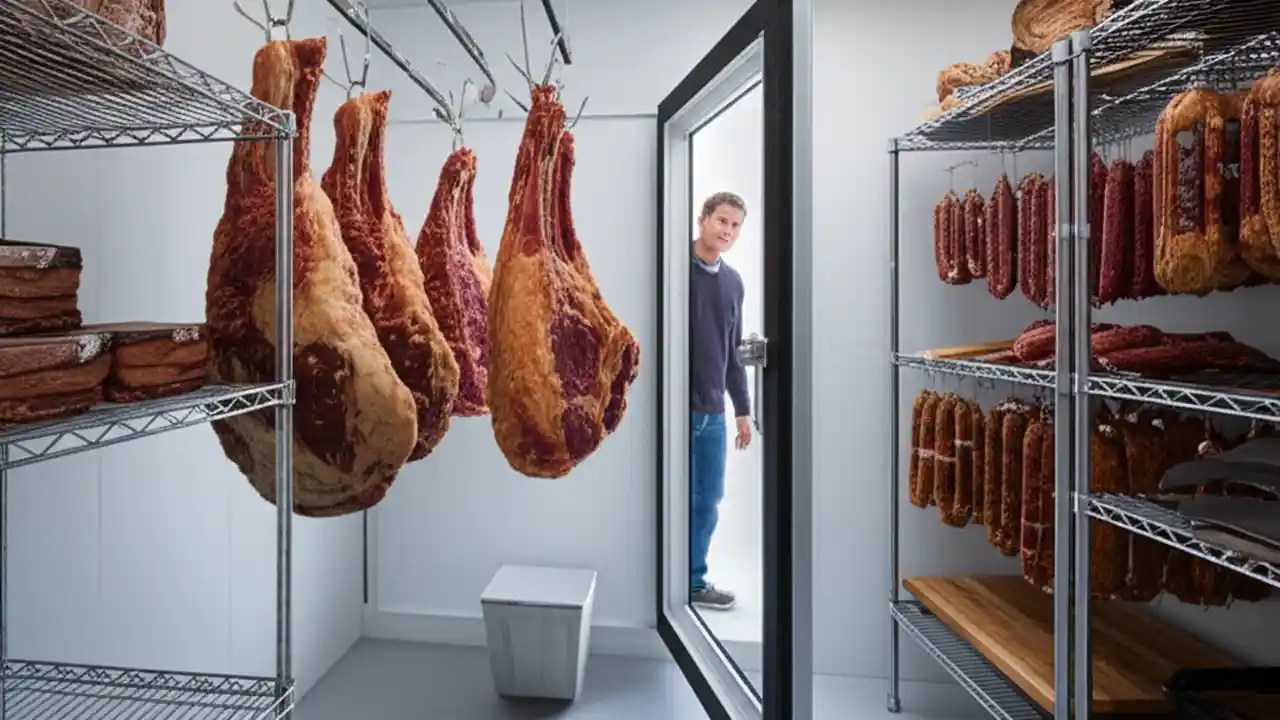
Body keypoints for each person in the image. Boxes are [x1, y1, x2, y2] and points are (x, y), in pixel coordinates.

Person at [689, 191, 752, 611]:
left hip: (712, 412)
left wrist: (743, 409)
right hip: (672, 409)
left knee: (708, 498)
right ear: (703, 219)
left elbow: (733, 351)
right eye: (722, 221)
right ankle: (662, 581)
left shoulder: (732, 283)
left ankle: (693, 581)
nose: (728, 231)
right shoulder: (674, 268)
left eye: (735, 225)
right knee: (668, 498)